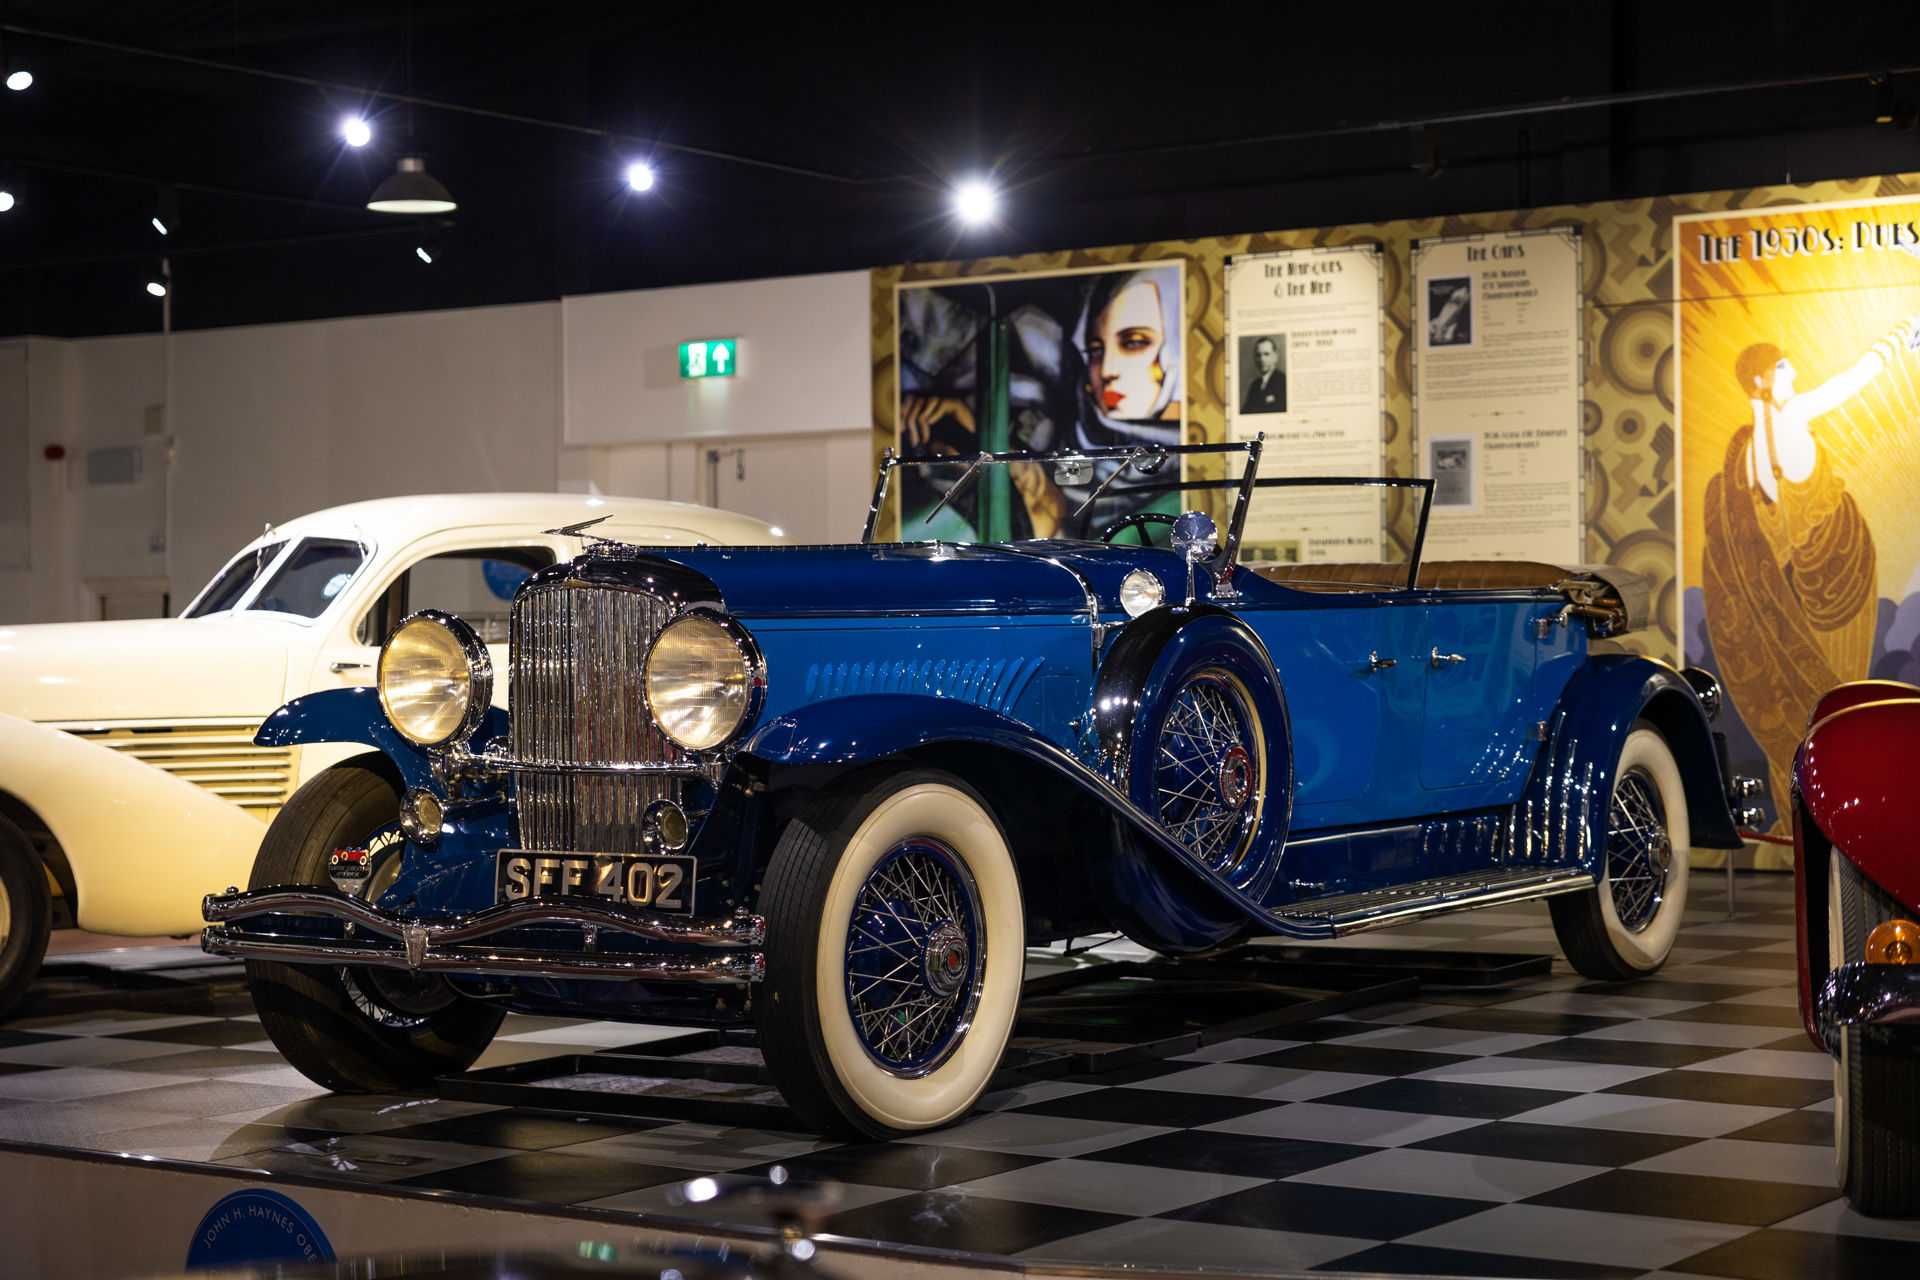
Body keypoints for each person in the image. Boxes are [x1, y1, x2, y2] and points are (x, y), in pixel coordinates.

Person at [1702, 311, 1920, 832]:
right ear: (1762, 379)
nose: (1793, 374)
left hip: (1803, 586)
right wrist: (1896, 340)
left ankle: (1814, 818)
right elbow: (1851, 381)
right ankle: (1848, 817)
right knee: (1839, 703)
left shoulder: (1747, 452)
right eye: (1783, 368)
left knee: (1813, 704)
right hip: (1840, 584)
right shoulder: (1792, 415)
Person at [1241, 336, 1287, 414]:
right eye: (1258, 355)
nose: (1262, 359)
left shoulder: (1283, 382)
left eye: (1266, 354)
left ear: (1275, 357)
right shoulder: (1255, 385)